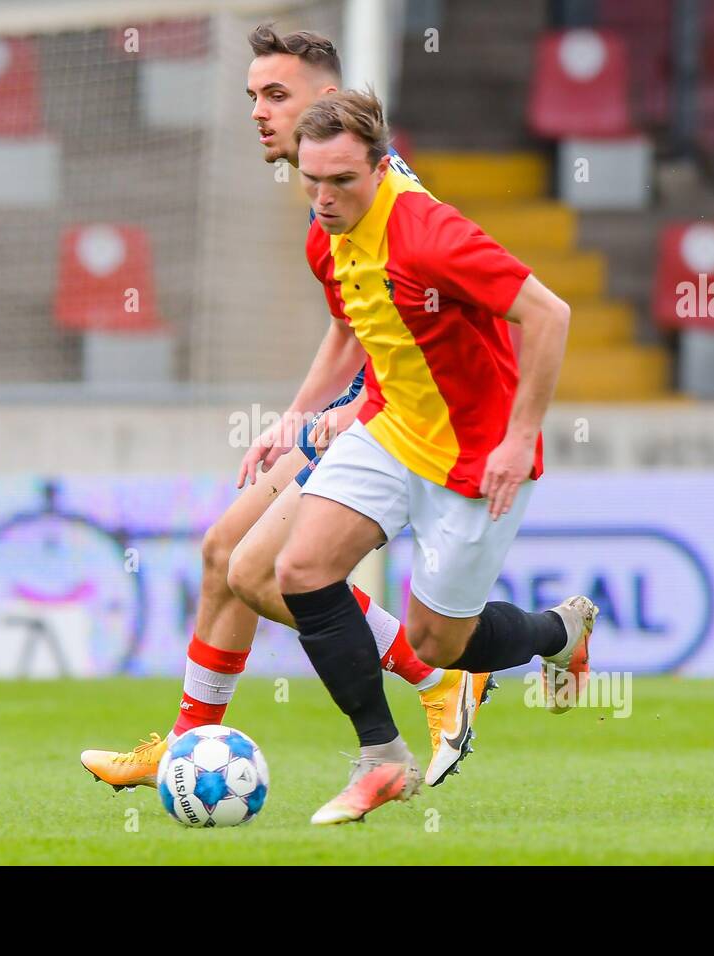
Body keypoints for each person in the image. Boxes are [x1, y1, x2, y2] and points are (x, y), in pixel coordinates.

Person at [80, 27, 489, 792]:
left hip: (398, 420)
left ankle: (438, 681)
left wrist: (347, 415)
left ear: (327, 102)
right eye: (253, 98)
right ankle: (186, 745)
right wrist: (293, 419)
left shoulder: (382, 193)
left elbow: (425, 322)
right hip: (355, 408)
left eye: (277, 95)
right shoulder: (325, 191)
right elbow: (347, 323)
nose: (259, 113)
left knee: (262, 572)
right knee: (224, 560)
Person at [240, 89, 598, 825]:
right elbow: (354, 327)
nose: (325, 197)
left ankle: (561, 632)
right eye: (311, 181)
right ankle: (381, 757)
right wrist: (299, 418)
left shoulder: (430, 233)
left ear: (380, 165)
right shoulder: (324, 235)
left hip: (473, 452)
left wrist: (520, 435)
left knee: (444, 642)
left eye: (342, 181)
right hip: (391, 427)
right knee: (299, 570)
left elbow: (549, 314)